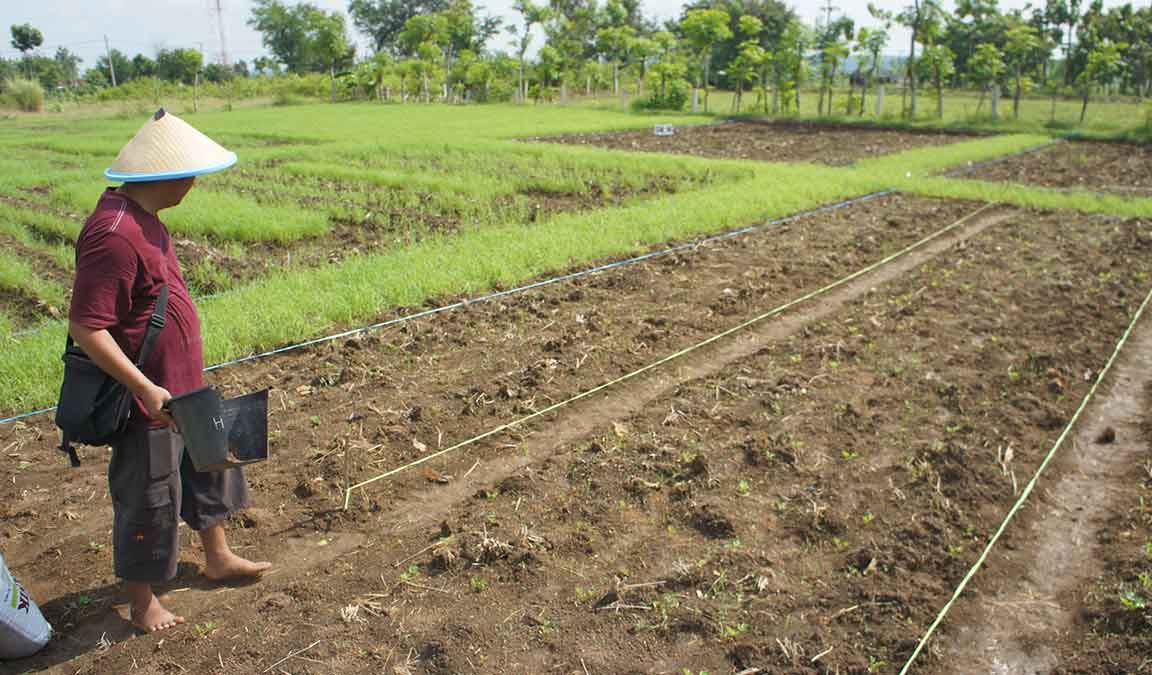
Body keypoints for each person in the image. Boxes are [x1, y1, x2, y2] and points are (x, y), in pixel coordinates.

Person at [67, 109, 270, 633]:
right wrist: (145, 388)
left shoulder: (146, 222)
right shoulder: (112, 233)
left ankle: (218, 557)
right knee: (148, 498)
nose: (196, 183)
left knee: (208, 472)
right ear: (165, 175)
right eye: (191, 172)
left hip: (184, 384)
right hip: (148, 399)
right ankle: (143, 601)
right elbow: (89, 327)